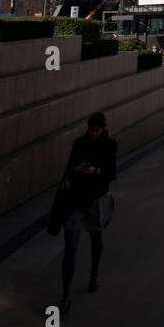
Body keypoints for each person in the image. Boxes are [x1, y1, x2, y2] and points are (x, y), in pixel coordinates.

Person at [59, 111, 117, 315]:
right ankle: (65, 295)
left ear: (103, 129)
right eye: (91, 130)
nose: (93, 133)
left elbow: (112, 173)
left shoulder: (110, 144)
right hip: (76, 199)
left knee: (96, 236)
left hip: (97, 199)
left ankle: (93, 276)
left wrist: (96, 171)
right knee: (70, 247)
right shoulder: (79, 143)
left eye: (97, 130)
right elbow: (68, 169)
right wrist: (77, 169)